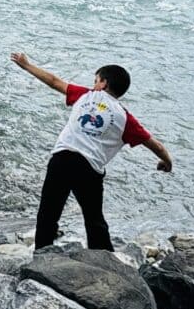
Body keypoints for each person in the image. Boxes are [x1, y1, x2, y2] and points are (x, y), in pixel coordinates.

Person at [10, 51, 173, 251]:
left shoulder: (86, 95)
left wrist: (27, 65)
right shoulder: (124, 118)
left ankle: (42, 253)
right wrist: (167, 162)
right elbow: (155, 145)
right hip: (89, 169)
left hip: (62, 158)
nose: (94, 83)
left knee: (48, 212)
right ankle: (103, 256)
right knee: (94, 218)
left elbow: (53, 81)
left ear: (103, 83)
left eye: (95, 80)